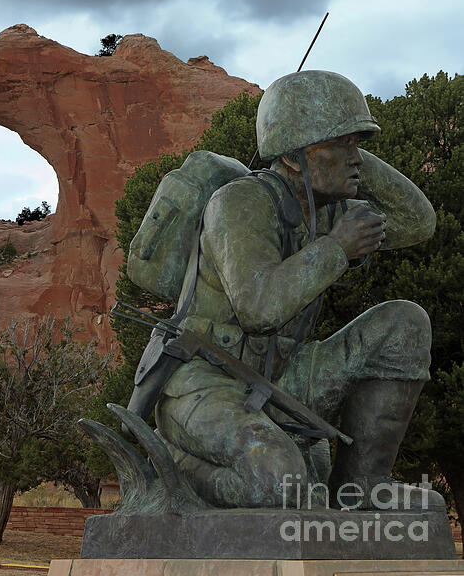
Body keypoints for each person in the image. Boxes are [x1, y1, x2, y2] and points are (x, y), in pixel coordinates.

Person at [147, 70, 439, 509]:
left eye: (356, 143)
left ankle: (359, 488)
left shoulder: (329, 209)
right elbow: (259, 308)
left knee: (405, 323)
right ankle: (172, 464)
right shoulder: (240, 202)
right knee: (282, 485)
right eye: (342, 145)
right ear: (295, 159)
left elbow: (418, 221)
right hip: (205, 382)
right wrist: (336, 247)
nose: (355, 157)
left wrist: (346, 142)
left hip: (279, 377)